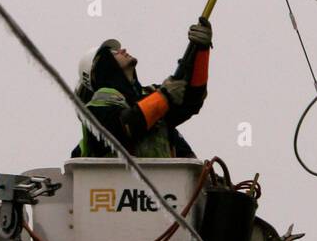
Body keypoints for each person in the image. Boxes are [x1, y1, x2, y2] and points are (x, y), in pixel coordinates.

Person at [72, 21, 212, 159]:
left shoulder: (151, 96)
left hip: (162, 181)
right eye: (113, 53)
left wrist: (201, 50)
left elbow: (191, 98)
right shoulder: (95, 108)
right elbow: (121, 128)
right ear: (104, 66)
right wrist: (164, 97)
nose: (123, 50)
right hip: (120, 181)